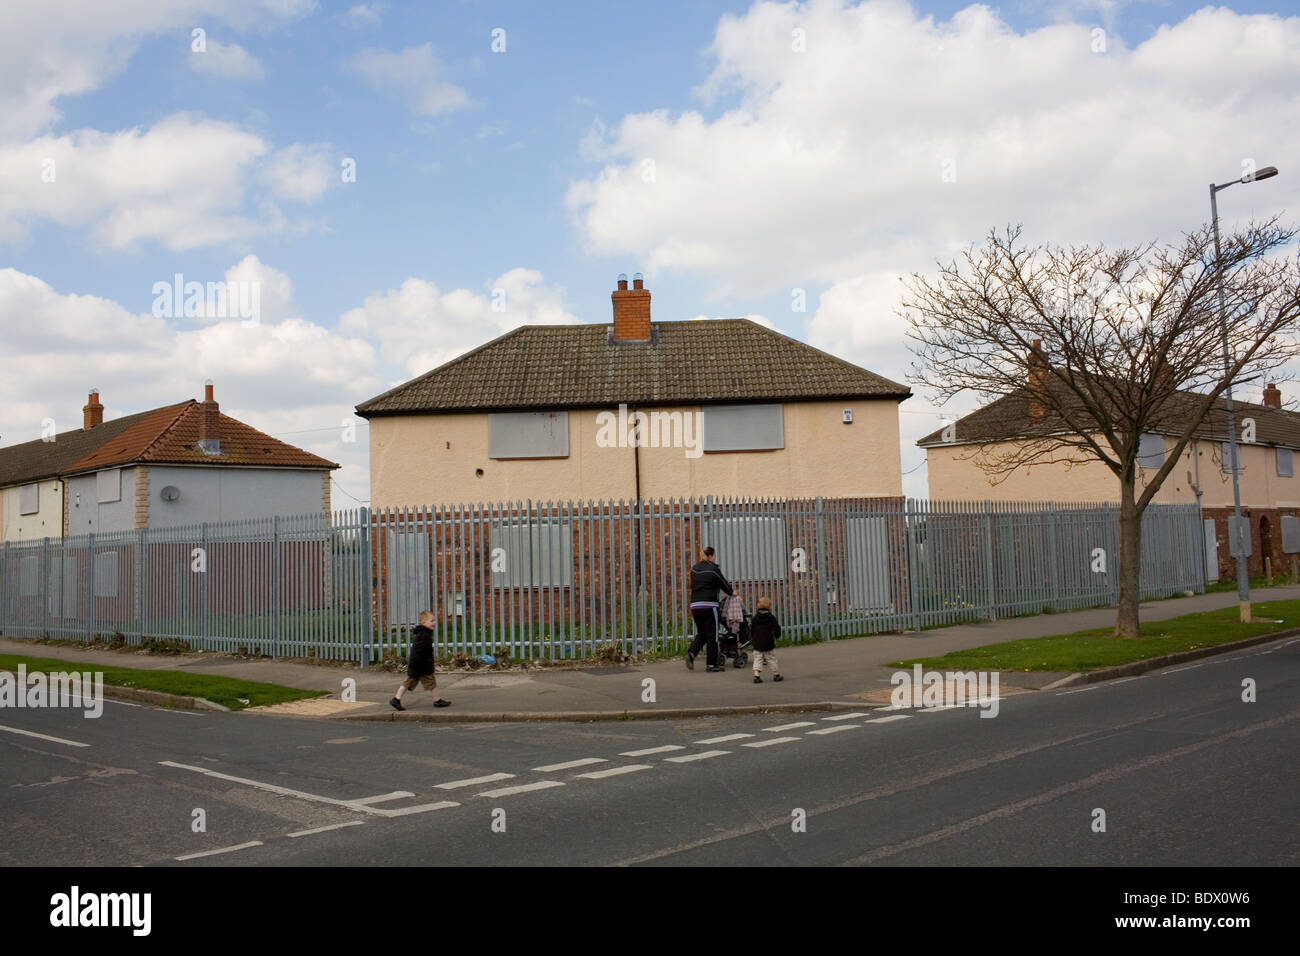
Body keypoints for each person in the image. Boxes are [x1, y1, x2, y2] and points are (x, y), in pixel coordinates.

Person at [391, 610, 450, 710]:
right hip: (421, 665)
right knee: (428, 682)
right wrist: (425, 662)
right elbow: (418, 652)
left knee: (411, 682)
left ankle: (397, 699)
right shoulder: (424, 636)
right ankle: (437, 701)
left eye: (434, 620)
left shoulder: (423, 634)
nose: (434, 623)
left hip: (418, 665)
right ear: (424, 623)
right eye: (432, 621)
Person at [686, 546, 733, 673]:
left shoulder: (694, 569)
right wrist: (731, 592)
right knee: (712, 635)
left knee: (702, 632)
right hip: (709, 605)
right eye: (714, 555)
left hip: (695, 605)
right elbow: (723, 583)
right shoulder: (713, 569)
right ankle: (711, 664)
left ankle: (691, 653)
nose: (715, 558)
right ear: (711, 555)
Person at [749, 595, 783, 684]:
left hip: (757, 642)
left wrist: (752, 637)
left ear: (758, 606)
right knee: (771, 658)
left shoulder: (755, 618)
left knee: (757, 659)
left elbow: (752, 629)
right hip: (768, 642)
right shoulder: (771, 618)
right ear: (769, 606)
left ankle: (756, 676)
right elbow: (776, 628)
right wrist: (777, 635)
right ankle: (776, 675)